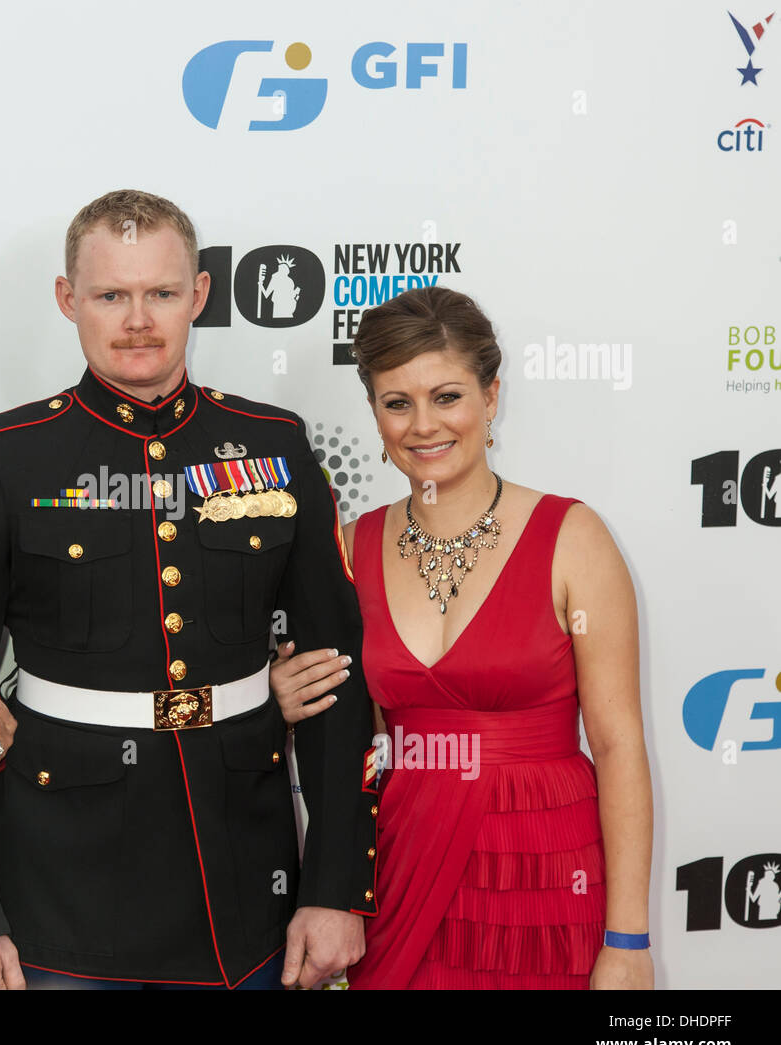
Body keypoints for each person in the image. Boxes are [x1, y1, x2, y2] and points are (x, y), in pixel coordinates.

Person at [0, 189, 378, 989]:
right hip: (58, 892)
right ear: (67, 300)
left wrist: (335, 889)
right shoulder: (4, 457)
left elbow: (335, 682)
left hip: (242, 891)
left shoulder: (274, 445)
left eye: (160, 293)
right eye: (110, 295)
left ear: (199, 295)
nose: (138, 320)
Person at [271, 286, 655, 989]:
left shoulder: (574, 538)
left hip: (544, 864)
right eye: (397, 402)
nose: (423, 425)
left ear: (491, 396)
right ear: (375, 413)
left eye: (446, 396)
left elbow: (619, 743)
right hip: (401, 865)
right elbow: (349, 740)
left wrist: (627, 940)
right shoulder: (349, 549)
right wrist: (281, 697)